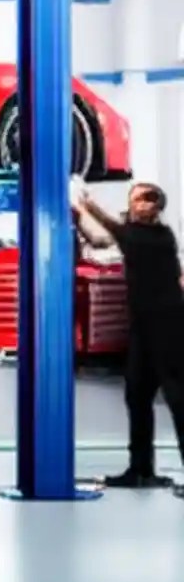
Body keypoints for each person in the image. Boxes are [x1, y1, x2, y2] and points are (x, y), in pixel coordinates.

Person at [73, 182, 184, 493]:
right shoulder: (134, 237)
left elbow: (115, 231)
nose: (134, 204)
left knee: (179, 398)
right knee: (137, 395)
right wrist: (79, 217)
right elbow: (99, 239)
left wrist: (86, 204)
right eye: (132, 199)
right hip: (142, 328)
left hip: (170, 326)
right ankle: (140, 470)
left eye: (140, 200)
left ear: (154, 207)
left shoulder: (158, 237)